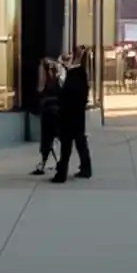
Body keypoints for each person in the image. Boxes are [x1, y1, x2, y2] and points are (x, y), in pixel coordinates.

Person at [53, 49, 92, 184]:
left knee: (67, 145)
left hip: (68, 114)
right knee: (79, 142)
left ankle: (62, 172)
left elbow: (64, 92)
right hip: (77, 115)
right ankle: (85, 168)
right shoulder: (80, 74)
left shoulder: (73, 74)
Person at [31, 57, 63, 176]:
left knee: (47, 140)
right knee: (54, 139)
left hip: (49, 114)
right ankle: (55, 163)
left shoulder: (47, 82)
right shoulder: (57, 80)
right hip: (56, 113)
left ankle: (48, 164)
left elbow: (40, 89)